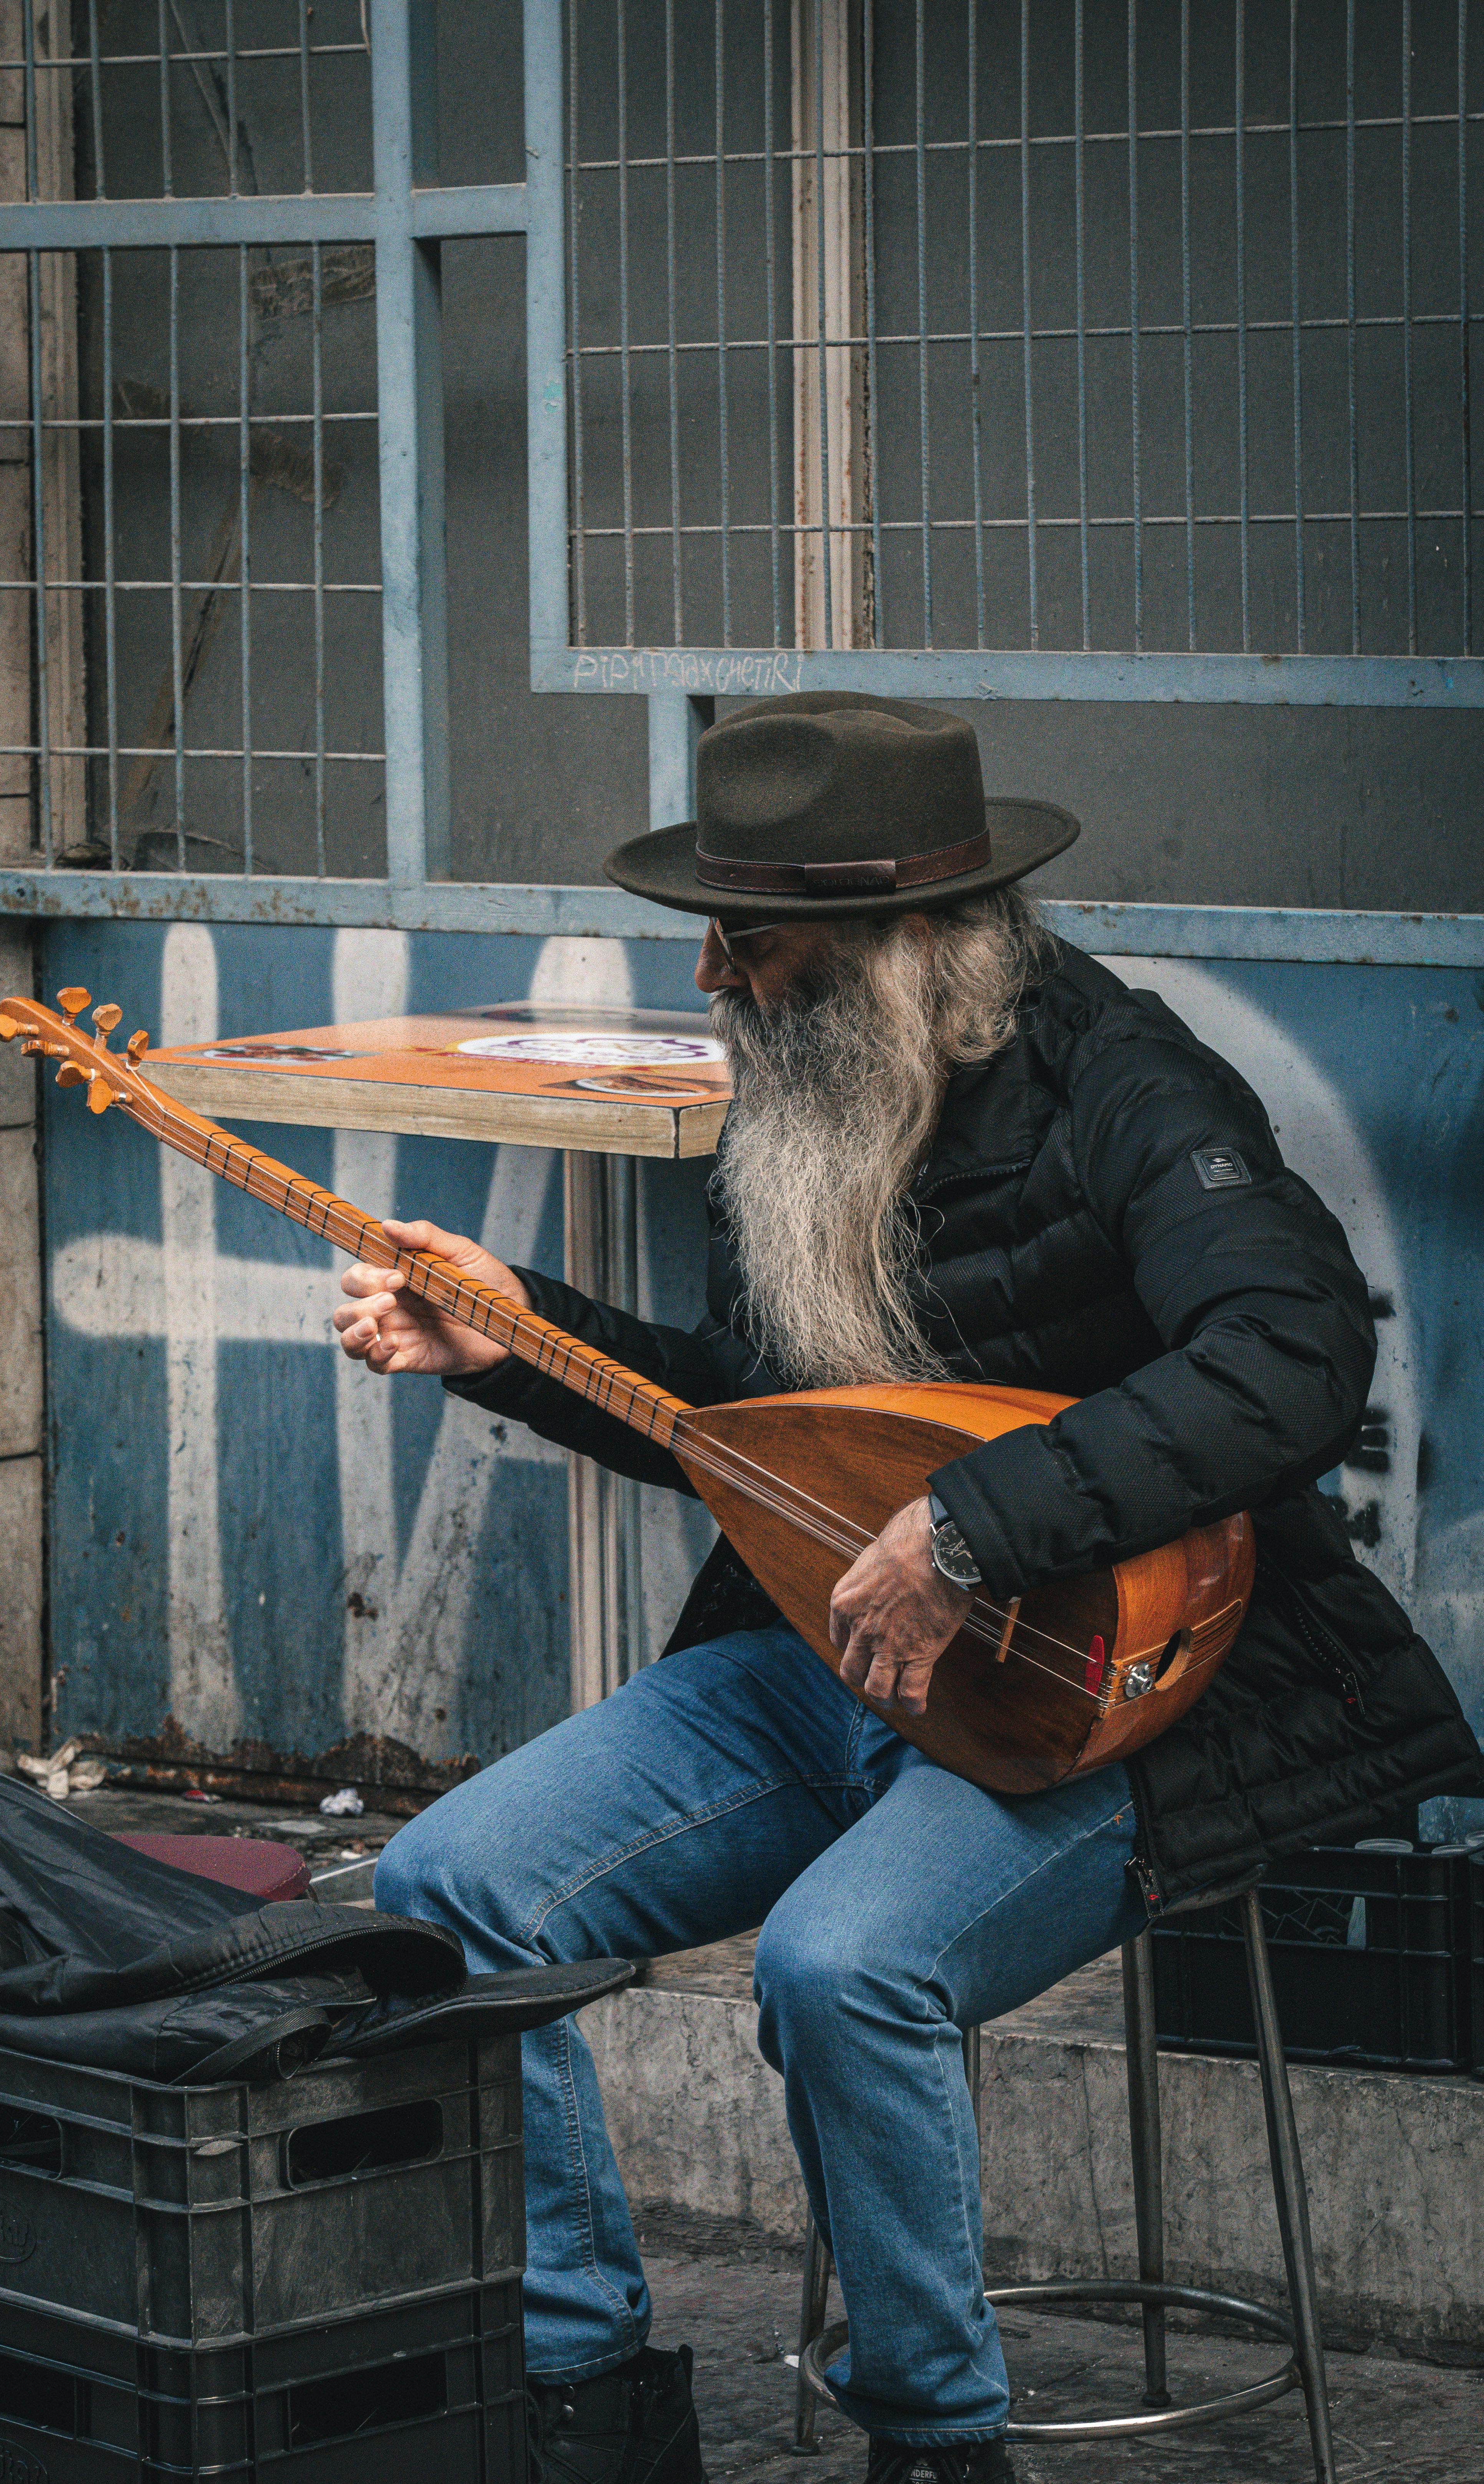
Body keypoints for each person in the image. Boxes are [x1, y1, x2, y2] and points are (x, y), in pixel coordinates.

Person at [331, 697, 1481, 2484]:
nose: (713, 974)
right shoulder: (797, 1095)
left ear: (906, 941)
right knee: (451, 1883)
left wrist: (964, 1532)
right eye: (708, 928)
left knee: (843, 1958)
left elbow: (1290, 1352)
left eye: (754, 937)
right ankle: (579, 2388)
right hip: (826, 1664)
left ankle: (936, 2442)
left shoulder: (1128, 1082)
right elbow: (750, 1429)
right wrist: (515, 1341)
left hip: (1122, 1690)